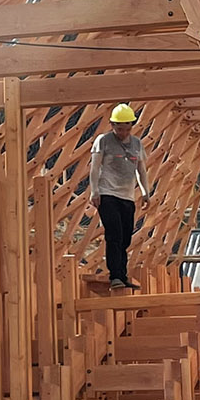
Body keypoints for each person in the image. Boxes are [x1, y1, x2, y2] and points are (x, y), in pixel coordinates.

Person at [88, 103, 147, 289]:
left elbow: (141, 169)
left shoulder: (136, 143)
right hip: (107, 193)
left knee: (126, 237)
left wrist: (145, 191)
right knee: (114, 234)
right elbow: (95, 166)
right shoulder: (103, 141)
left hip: (127, 196)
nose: (123, 133)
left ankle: (122, 275)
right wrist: (94, 190)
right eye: (120, 129)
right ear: (112, 125)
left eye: (127, 129)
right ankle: (115, 276)